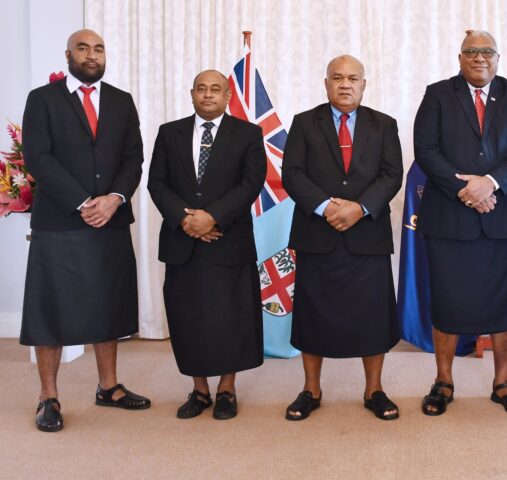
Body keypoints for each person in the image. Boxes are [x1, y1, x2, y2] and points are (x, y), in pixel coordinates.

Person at [20, 29, 150, 432]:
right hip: (59, 222)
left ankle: (108, 387)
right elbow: (37, 158)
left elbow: (134, 158)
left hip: (110, 219)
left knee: (107, 304)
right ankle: (49, 397)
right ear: (68, 55)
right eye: (83, 48)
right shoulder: (42, 99)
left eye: (98, 49)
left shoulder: (122, 101)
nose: (92, 55)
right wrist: (82, 202)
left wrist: (113, 198)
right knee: (51, 311)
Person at [414, 30, 507, 416]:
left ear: (498, 58)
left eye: (487, 52)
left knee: (505, 304)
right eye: (472, 52)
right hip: (450, 218)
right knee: (448, 302)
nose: (479, 58)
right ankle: (443, 382)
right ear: (460, 58)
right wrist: (465, 190)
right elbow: (426, 149)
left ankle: (504, 383)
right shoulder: (438, 94)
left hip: (504, 218)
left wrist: (491, 184)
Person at [281, 55, 403, 421]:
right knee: (312, 315)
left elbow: (391, 174)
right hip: (318, 233)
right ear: (326, 83)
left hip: (367, 234)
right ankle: (311, 389)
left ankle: (374, 389)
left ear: (364, 84)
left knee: (373, 316)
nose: (345, 84)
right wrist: (325, 207)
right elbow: (293, 173)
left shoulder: (384, 124)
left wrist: (359, 208)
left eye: (353, 78)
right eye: (338, 77)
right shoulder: (305, 123)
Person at [147, 70, 267, 420]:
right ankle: (199, 389)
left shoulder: (248, 134)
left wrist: (212, 217)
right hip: (182, 242)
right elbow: (157, 182)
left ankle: (227, 389)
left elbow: (251, 182)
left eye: (216, 89)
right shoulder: (169, 133)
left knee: (232, 317)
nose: (208, 94)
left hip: (229, 240)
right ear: (192, 94)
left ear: (228, 95)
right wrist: (186, 220)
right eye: (202, 88)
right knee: (188, 318)